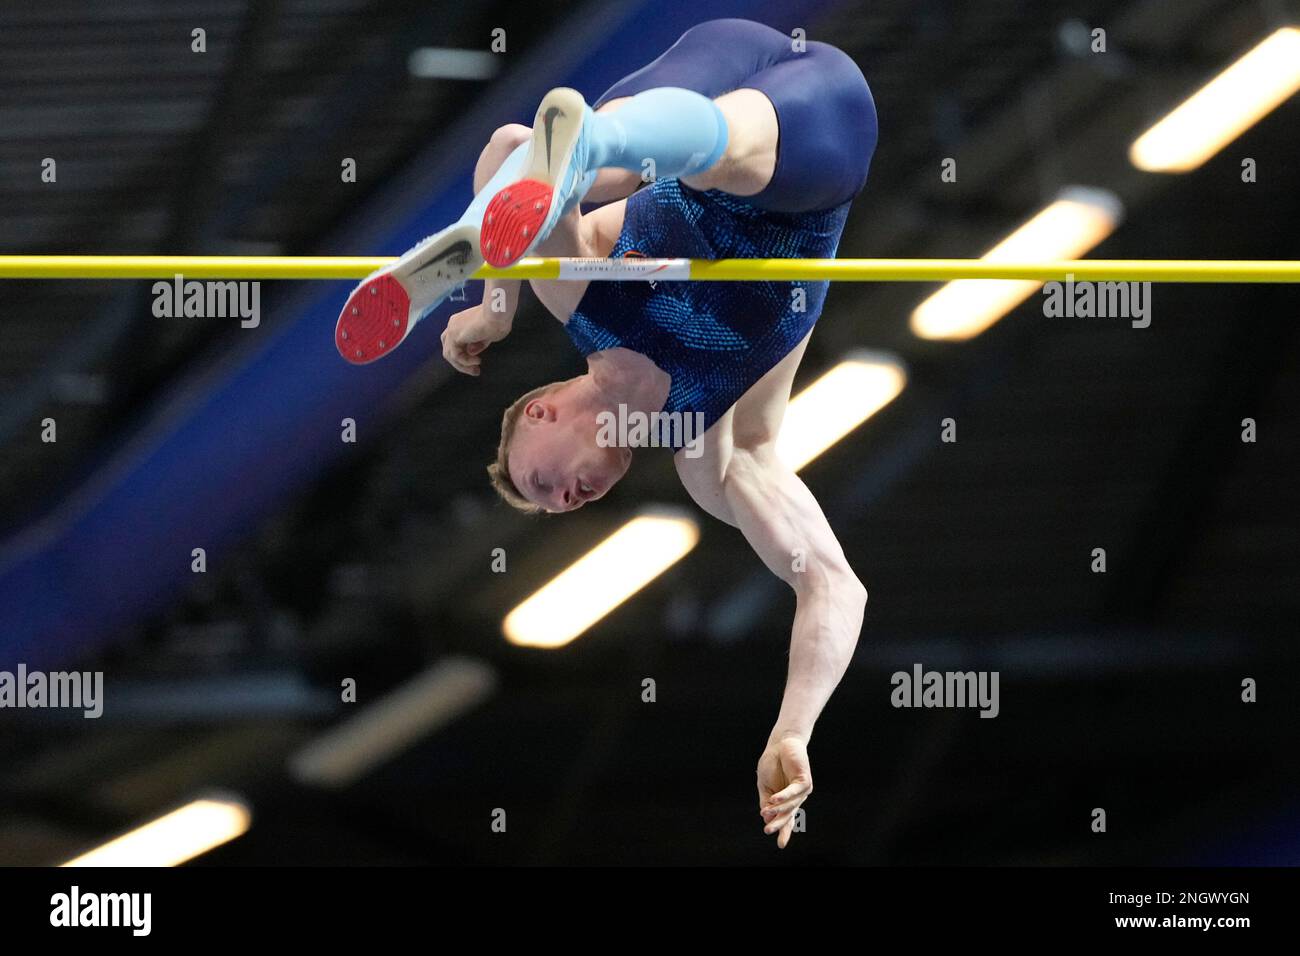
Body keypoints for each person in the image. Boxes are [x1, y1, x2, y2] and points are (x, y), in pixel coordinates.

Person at [337, 18, 877, 849]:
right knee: (705, 156)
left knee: (595, 162)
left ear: (544, 409)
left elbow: (511, 143)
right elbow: (833, 585)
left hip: (709, 81)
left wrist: (495, 303)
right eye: (556, 506)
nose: (565, 502)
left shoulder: (579, 294)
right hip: (814, 144)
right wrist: (793, 728)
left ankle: (554, 176)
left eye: (544, 483)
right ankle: (575, 157)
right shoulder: (717, 450)